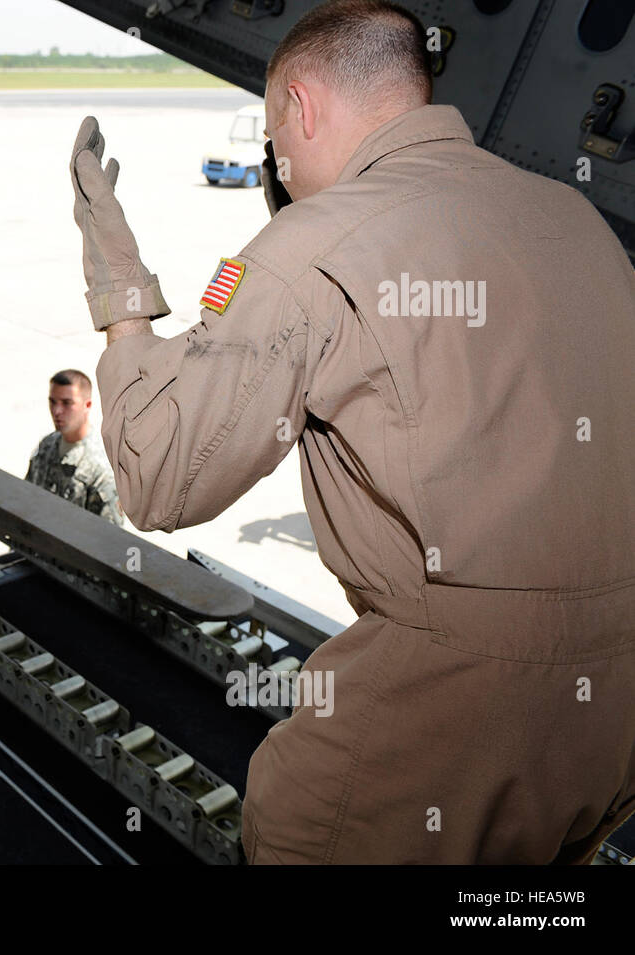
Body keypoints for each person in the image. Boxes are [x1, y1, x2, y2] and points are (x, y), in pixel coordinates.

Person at [70, 0, 635, 864]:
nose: (280, 166)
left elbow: (160, 476)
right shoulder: (578, 220)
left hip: (458, 711)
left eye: (275, 137)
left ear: (301, 104)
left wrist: (118, 284)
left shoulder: (320, 242)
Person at [25, 369, 122, 525]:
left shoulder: (101, 468)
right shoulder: (47, 445)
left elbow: (109, 539)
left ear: (87, 405)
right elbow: (27, 498)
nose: (57, 411)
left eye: (67, 403)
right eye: (53, 402)